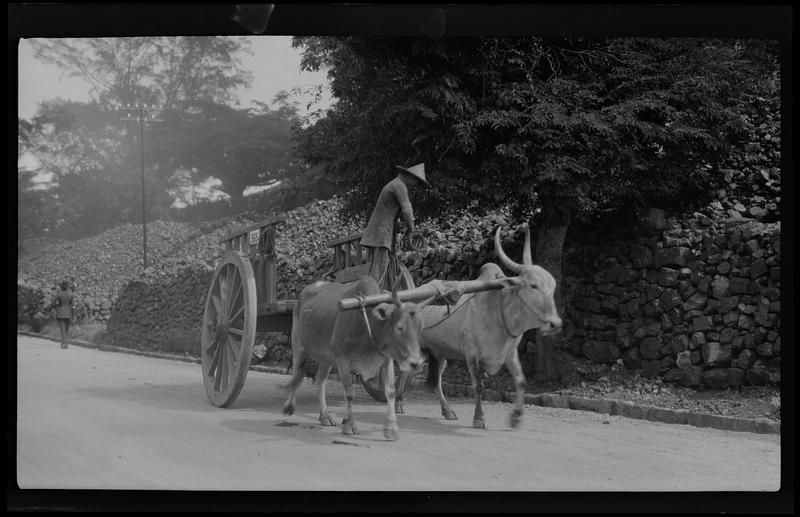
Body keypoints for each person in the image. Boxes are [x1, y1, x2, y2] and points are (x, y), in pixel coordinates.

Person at [360, 163, 430, 289]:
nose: (415, 186)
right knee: (381, 264)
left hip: (383, 230)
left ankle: (383, 290)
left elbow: (389, 212)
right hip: (382, 231)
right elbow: (407, 210)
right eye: (417, 182)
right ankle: (375, 293)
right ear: (411, 177)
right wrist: (411, 229)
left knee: (385, 263)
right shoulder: (399, 186)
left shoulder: (395, 184)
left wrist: (401, 226)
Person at [53, 280, 75, 349]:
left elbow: (53, 303)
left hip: (60, 313)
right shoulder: (71, 294)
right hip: (68, 313)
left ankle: (64, 344)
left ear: (61, 287)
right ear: (67, 287)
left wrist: (57, 305)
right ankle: (64, 343)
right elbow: (73, 305)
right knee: (66, 330)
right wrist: (73, 313)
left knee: (62, 329)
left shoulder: (59, 294)